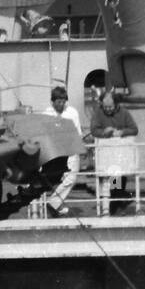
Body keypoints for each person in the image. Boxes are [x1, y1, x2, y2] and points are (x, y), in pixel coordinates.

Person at [87, 90, 139, 214]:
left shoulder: (124, 112)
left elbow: (134, 129)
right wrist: (104, 132)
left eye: (110, 107)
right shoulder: (98, 113)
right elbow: (94, 130)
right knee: (113, 179)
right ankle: (119, 202)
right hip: (107, 153)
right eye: (105, 107)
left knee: (119, 178)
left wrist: (122, 132)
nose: (108, 109)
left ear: (116, 105)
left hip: (121, 152)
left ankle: (116, 204)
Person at [45, 86, 82, 218]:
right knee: (51, 178)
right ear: (52, 101)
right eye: (58, 101)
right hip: (55, 151)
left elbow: (78, 133)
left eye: (63, 101)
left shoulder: (72, 112)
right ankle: (42, 208)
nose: (61, 104)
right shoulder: (47, 114)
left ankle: (53, 203)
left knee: (71, 178)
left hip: (70, 149)